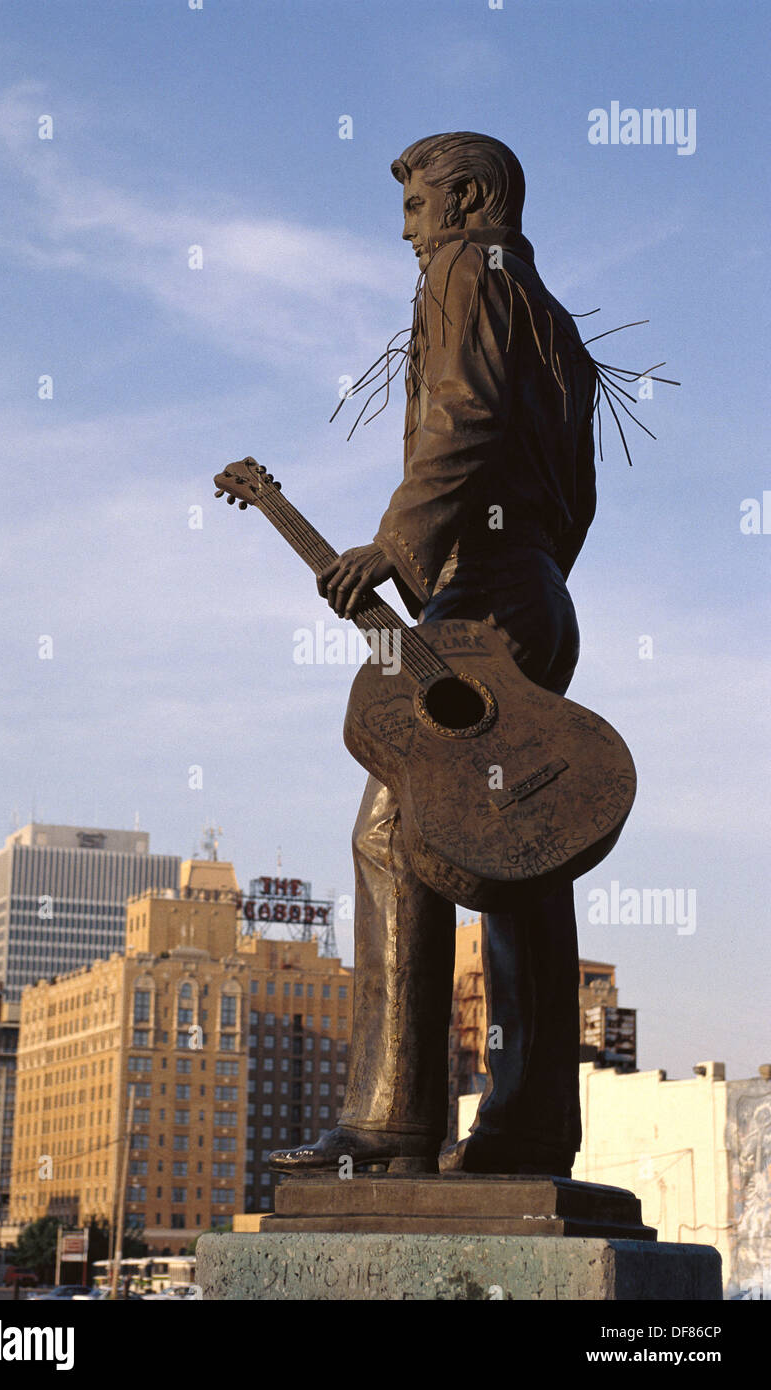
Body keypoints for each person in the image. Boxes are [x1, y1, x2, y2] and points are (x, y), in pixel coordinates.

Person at [269, 132, 598, 1179]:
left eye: (417, 198)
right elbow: (575, 489)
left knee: (397, 826)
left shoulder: (467, 271)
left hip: (484, 592)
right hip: (534, 590)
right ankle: (527, 1125)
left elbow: (462, 414)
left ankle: (389, 1123)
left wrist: (402, 549)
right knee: (521, 848)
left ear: (467, 197)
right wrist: (526, 573)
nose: (404, 221)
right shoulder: (550, 319)